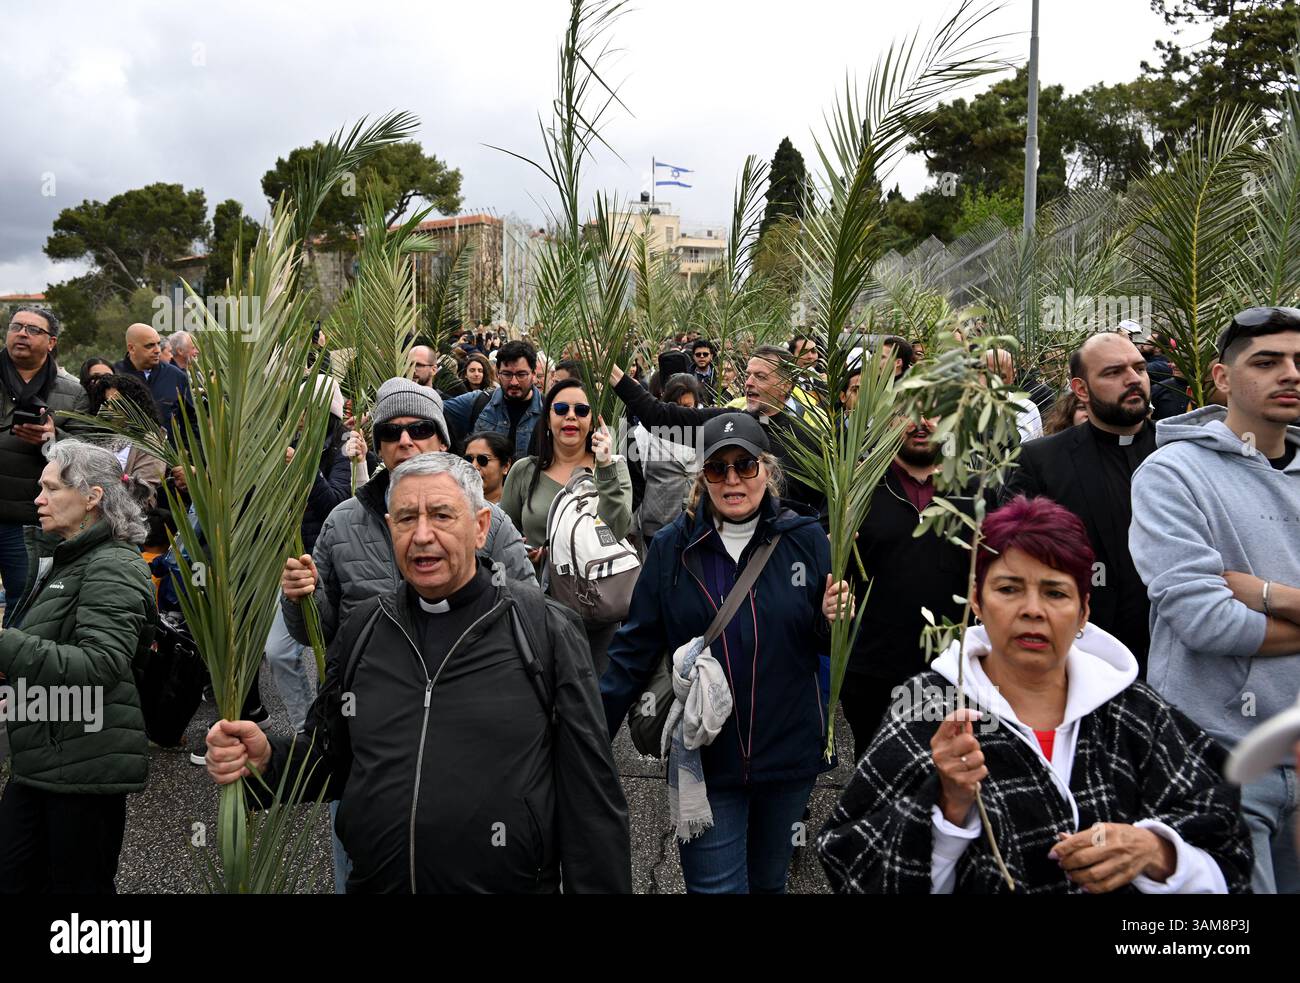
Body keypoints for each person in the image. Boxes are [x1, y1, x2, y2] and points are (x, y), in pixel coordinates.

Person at [211, 453, 631, 893]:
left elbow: (592, 803)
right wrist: (268, 760)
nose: (422, 535)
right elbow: (332, 757)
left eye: (442, 515)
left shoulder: (543, 630)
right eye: (406, 518)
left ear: (481, 526)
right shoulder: (366, 629)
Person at [817, 496, 1253, 894]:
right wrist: (948, 806)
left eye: (1055, 592)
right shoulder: (930, 707)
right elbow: (855, 865)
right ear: (977, 601)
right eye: (1008, 588)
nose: (1032, 609)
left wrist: (1158, 853)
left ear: (1084, 609)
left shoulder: (1134, 713)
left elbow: (1226, 846)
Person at [602, 412, 848, 893]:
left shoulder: (805, 539)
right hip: (707, 756)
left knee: (769, 882)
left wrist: (833, 619)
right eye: (718, 469)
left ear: (767, 470)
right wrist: (590, 735)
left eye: (745, 465)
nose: (732, 478)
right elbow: (634, 646)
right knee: (714, 888)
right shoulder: (675, 547)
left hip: (788, 754)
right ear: (702, 479)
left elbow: (825, 647)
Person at [1130, 306, 1300, 894]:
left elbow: (1236, 614)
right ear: (1221, 378)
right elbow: (1206, 621)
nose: (1291, 374)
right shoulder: (1172, 473)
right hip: (1217, 756)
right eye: (1268, 361)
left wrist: (1267, 594)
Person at [0, 440, 157, 892]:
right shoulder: (68, 556)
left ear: (92, 497)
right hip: (45, 757)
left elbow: (101, 663)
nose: (38, 499)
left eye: (50, 488)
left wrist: (5, 644)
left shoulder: (112, 566)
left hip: (84, 767)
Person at [1002, 332, 1157, 670]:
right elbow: (1007, 551)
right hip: (1080, 653)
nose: (1133, 379)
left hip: (1170, 649)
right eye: (1113, 372)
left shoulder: (1178, 453)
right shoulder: (1041, 460)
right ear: (1081, 389)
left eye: (1139, 368)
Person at [839, 416, 972, 762]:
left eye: (934, 412)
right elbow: (831, 566)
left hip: (954, 671)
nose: (922, 422)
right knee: (878, 779)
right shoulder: (859, 487)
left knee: (950, 781)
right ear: (890, 418)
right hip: (874, 675)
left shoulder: (975, 489)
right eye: (909, 411)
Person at [500, 378, 632, 676]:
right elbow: (502, 533)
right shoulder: (525, 471)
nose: (571, 416)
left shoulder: (613, 467)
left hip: (596, 610)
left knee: (594, 703)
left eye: (581, 410)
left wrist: (606, 465)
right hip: (536, 607)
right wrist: (522, 553)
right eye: (561, 409)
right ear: (548, 419)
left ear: (592, 421)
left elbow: (620, 528)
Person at [607, 346, 825, 512]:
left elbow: (829, 506)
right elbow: (660, 417)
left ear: (786, 384)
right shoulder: (728, 424)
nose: (748, 382)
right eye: (748, 374)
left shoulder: (810, 441)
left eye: (760, 377)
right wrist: (611, 371)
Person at [0, 306, 88, 625]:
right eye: (16, 327)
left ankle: (10, 672)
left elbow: (84, 456)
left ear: (51, 342)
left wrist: (52, 438)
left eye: (33, 330)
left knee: (23, 603)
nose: (22, 333)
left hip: (29, 519)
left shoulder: (73, 392)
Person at [442, 340, 543, 459]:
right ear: (497, 373)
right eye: (507, 374)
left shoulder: (549, 410)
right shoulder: (478, 402)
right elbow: (433, 406)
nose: (514, 382)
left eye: (521, 375)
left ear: (534, 374)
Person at [634, 373, 702, 543]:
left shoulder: (705, 428)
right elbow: (636, 481)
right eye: (676, 406)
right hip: (657, 526)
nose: (681, 413)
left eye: (688, 407)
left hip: (696, 524)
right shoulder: (647, 431)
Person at [113, 322, 194, 443]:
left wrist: (191, 456)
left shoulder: (176, 376)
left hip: (170, 457)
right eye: (149, 346)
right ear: (131, 348)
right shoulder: (114, 375)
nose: (157, 350)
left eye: (158, 344)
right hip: (127, 458)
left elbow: (192, 421)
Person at [986, 348, 1043, 442]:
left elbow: (1038, 448)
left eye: (1001, 377)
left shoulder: (1028, 408)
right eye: (988, 375)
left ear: (1013, 375)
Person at [463, 430, 513, 505]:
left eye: (483, 460)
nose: (473, 466)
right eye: (468, 459)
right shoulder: (452, 502)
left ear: (506, 466)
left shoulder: (516, 509)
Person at [690, 339, 719, 405]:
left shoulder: (719, 375)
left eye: (705, 354)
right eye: (698, 354)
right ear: (693, 356)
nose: (702, 356)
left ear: (711, 356)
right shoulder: (687, 376)